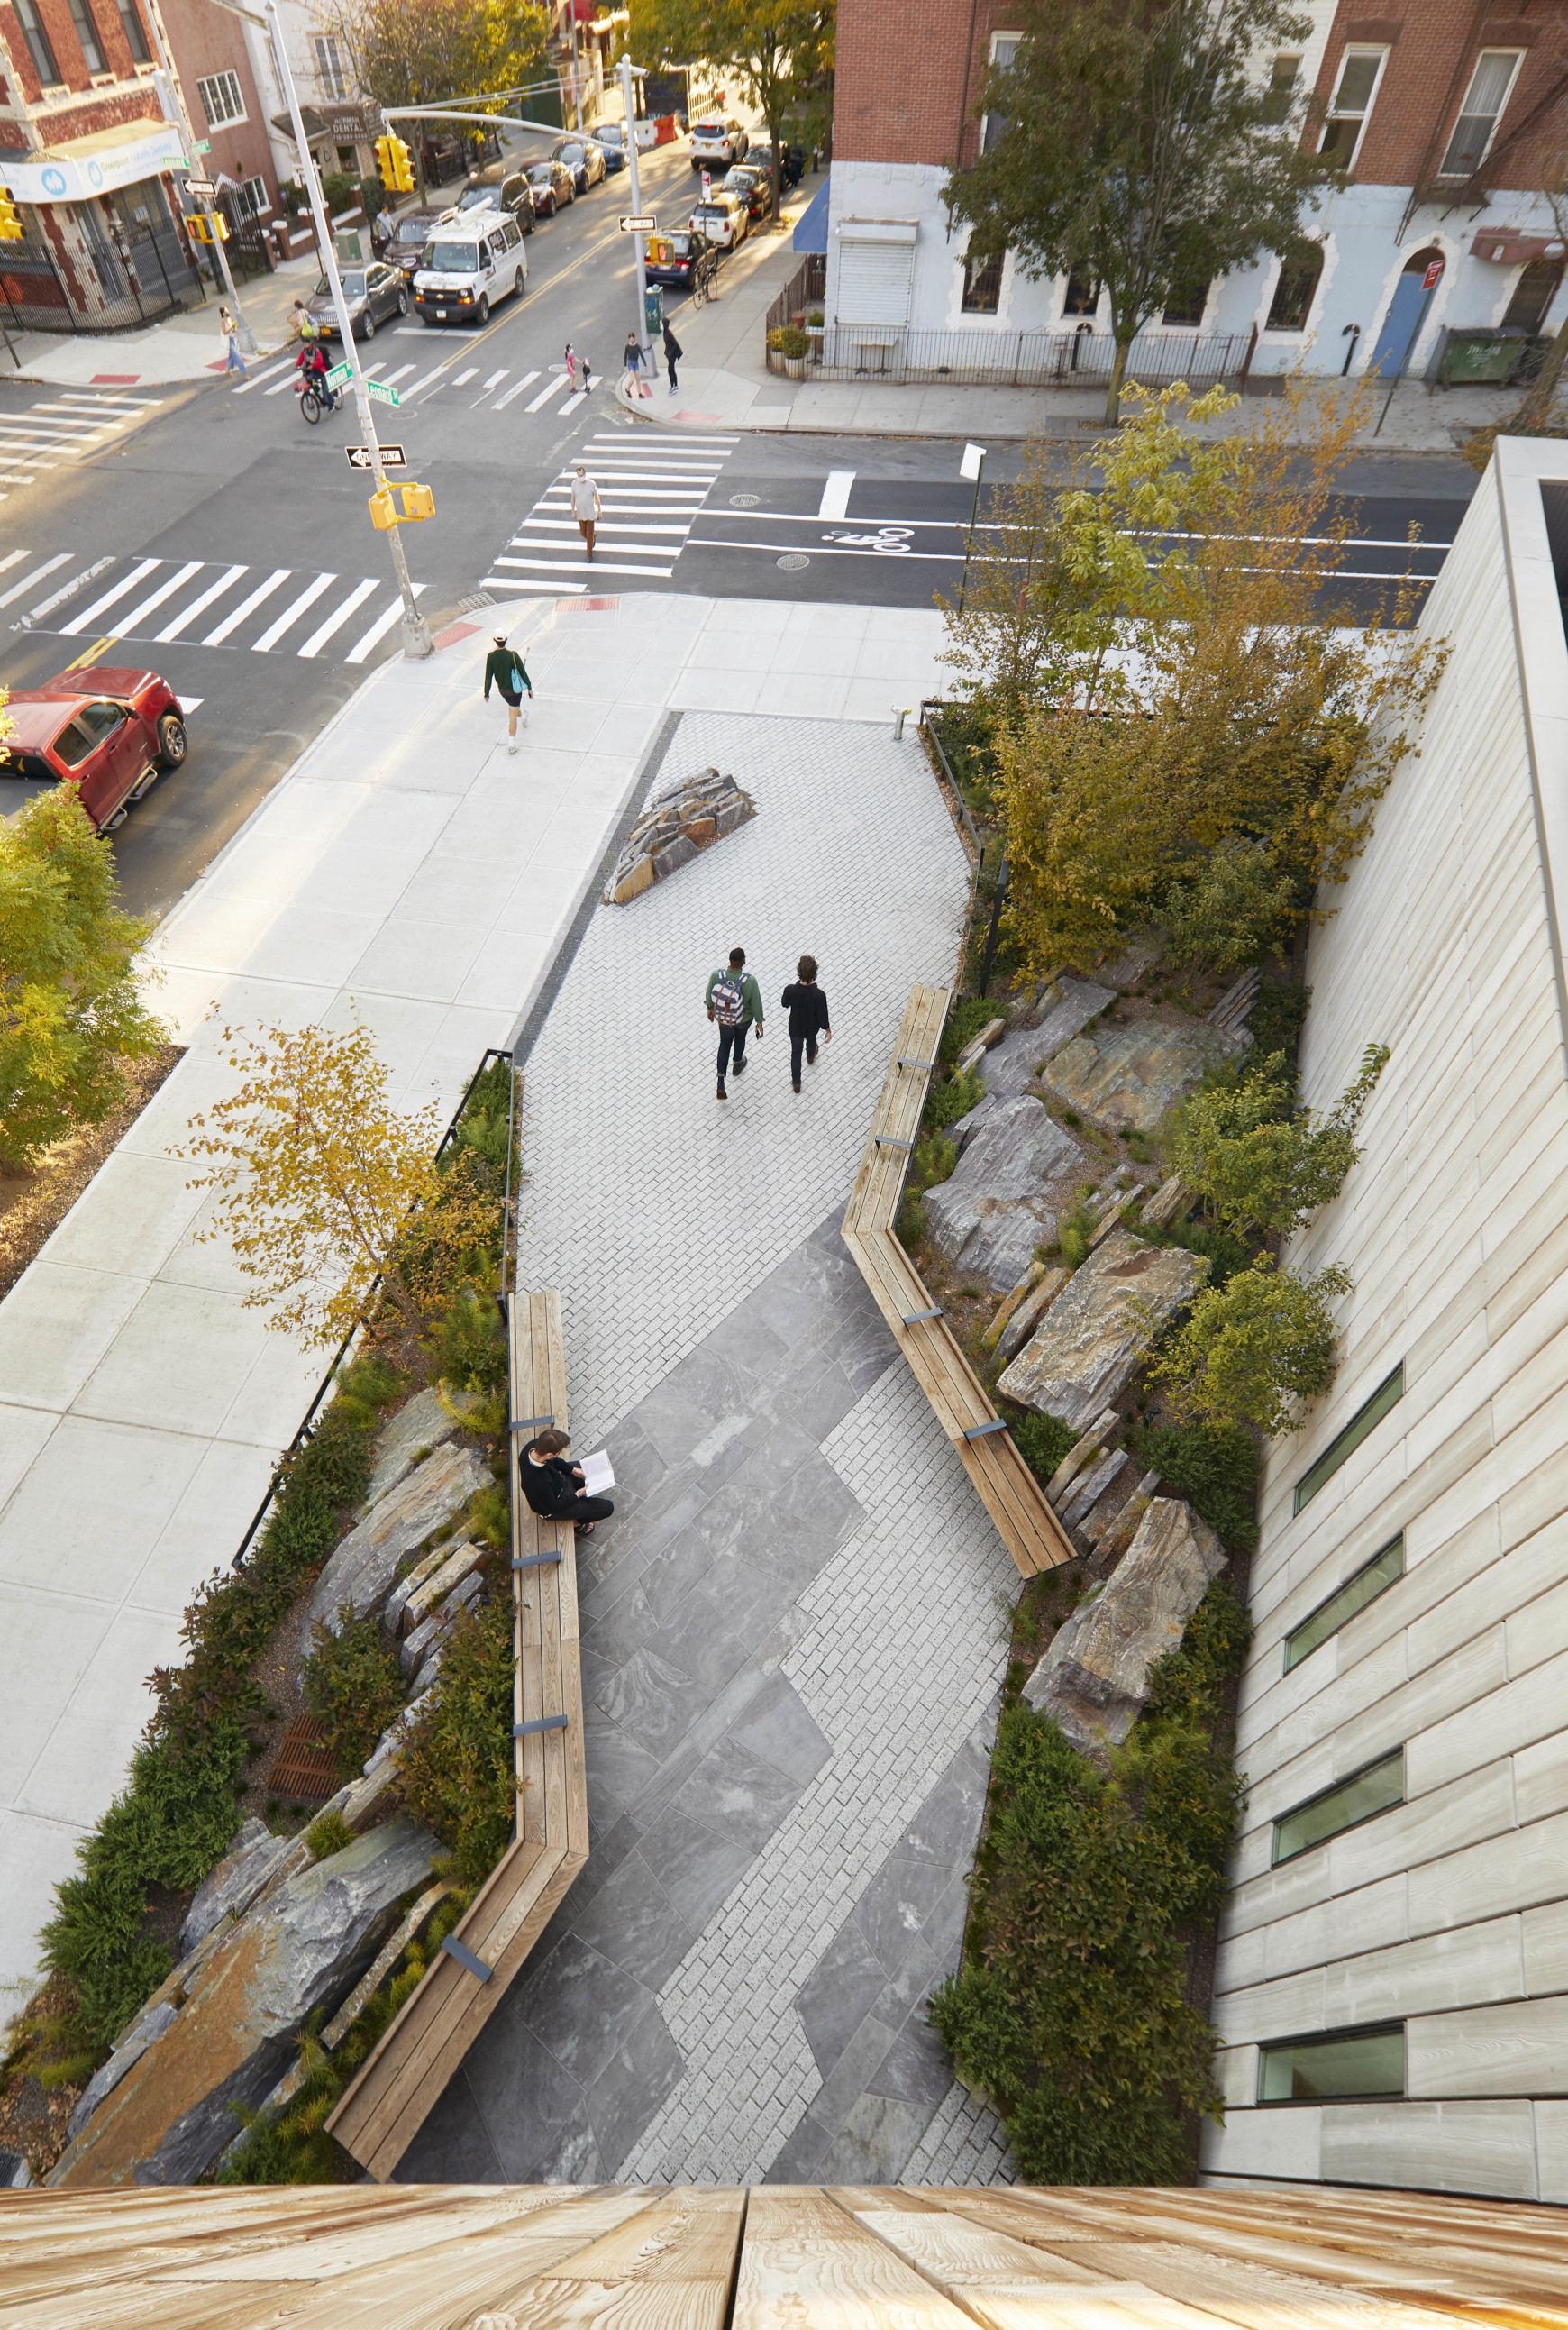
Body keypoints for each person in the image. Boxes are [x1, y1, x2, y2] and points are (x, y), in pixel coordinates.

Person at [518, 1428, 614, 1537]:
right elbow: (552, 1506)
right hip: (556, 1503)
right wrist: (577, 1495)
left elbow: (555, 1461)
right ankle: (576, 1523)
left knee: (592, 1470)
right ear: (549, 1455)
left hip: (559, 1481)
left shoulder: (534, 1446)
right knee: (607, 1508)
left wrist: (573, 1470)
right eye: (559, 1452)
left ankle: (580, 1497)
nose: (559, 1454)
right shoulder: (538, 1483)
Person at [706, 945, 764, 1101]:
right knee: (740, 1039)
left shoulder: (716, 975)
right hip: (743, 1019)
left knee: (724, 1044)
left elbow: (709, 995)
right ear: (743, 962)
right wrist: (759, 1022)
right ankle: (737, 1063)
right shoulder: (750, 981)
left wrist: (710, 1009)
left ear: (729, 961)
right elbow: (756, 1003)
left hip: (724, 1019)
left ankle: (720, 1080)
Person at [780, 955, 832, 1092]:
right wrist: (827, 1029)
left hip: (795, 1027)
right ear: (814, 974)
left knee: (796, 1054)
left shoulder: (790, 990)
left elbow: (784, 1003)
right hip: (811, 1027)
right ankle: (810, 1057)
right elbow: (822, 1015)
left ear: (799, 972)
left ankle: (796, 1083)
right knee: (811, 1041)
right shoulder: (819, 995)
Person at [483, 633, 533, 754]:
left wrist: (486, 693)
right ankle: (511, 745)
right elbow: (522, 672)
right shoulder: (513, 655)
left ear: (494, 640)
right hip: (514, 691)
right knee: (512, 717)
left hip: (503, 691)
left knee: (513, 707)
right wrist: (529, 688)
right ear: (506, 639)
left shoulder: (491, 657)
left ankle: (523, 718)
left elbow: (488, 677)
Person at [570, 462, 600, 561]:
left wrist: (599, 511)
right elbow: (573, 498)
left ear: (585, 474)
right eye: (579, 476)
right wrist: (573, 511)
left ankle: (589, 554)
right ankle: (592, 537)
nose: (581, 477)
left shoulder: (591, 484)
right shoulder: (574, 484)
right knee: (583, 533)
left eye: (582, 475)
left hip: (590, 514)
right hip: (580, 514)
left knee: (588, 535)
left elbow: (596, 497)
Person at [219, 303, 247, 380]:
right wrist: (231, 328)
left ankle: (227, 368)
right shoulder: (222, 321)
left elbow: (232, 330)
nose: (228, 312)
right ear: (223, 313)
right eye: (226, 311)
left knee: (232, 356)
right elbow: (224, 332)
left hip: (232, 339)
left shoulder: (230, 319)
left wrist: (235, 329)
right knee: (237, 356)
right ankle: (245, 373)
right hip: (228, 340)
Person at [662, 315, 682, 392]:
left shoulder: (668, 333)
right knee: (672, 370)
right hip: (669, 355)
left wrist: (670, 352)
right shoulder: (665, 333)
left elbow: (675, 344)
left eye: (661, 324)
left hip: (672, 356)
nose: (660, 325)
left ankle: (673, 387)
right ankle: (676, 385)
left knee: (670, 370)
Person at [622, 331, 644, 395]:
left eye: (632, 338)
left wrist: (645, 364)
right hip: (630, 363)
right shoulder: (628, 346)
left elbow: (641, 354)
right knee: (632, 379)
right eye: (630, 339)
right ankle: (628, 388)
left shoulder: (637, 346)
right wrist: (625, 365)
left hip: (636, 363)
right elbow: (625, 356)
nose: (632, 340)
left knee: (638, 379)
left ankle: (639, 392)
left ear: (634, 338)